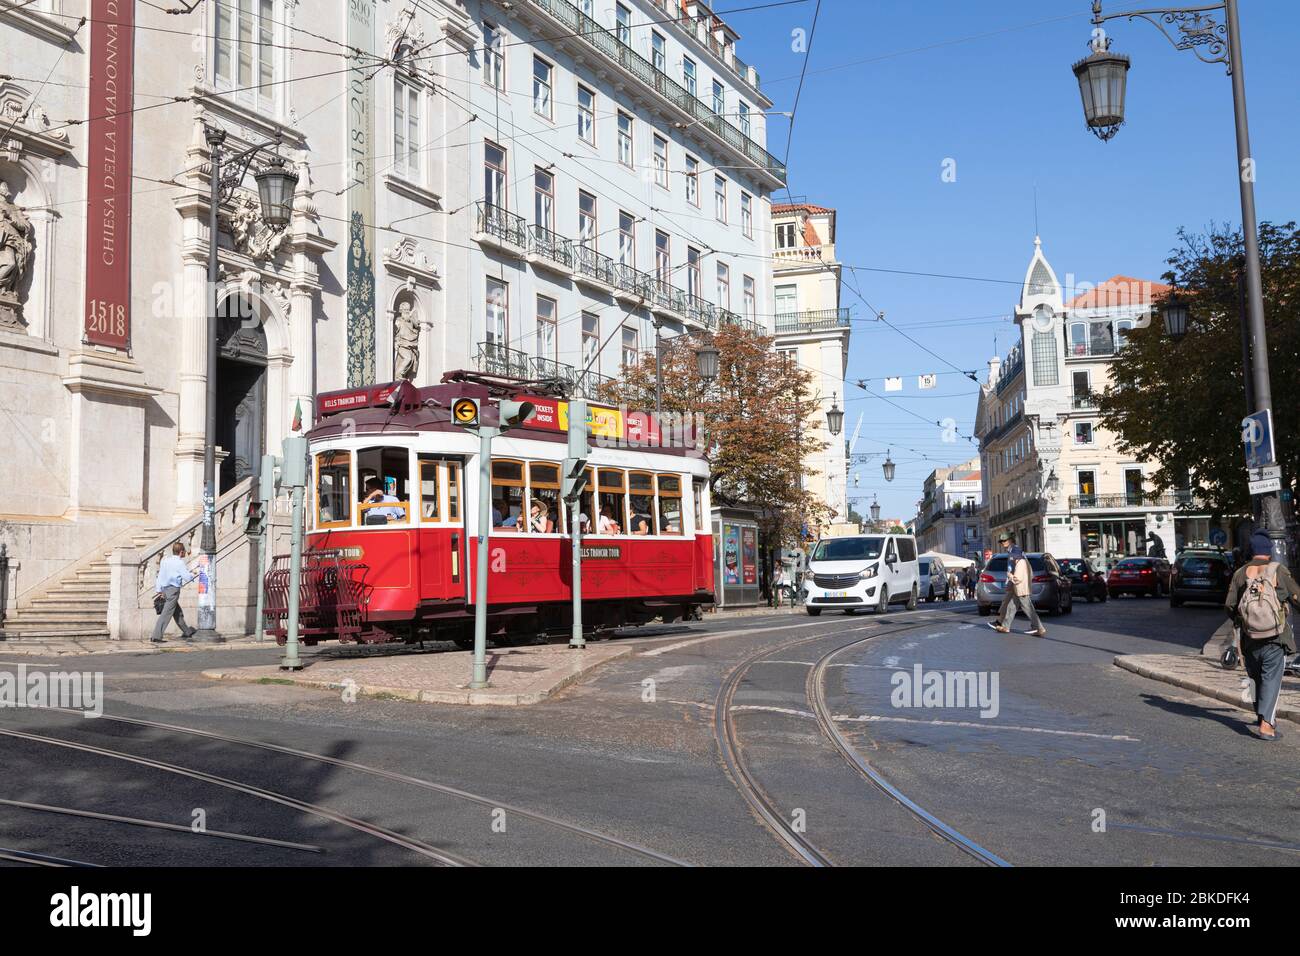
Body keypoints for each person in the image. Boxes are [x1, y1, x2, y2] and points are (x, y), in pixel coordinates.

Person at [1225, 530, 1300, 741]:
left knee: (1256, 679)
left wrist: (1243, 621)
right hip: (1276, 637)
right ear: (1269, 551)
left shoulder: (1240, 574)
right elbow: (1297, 597)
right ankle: (1267, 725)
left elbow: (1229, 606)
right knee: (1271, 680)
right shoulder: (1279, 570)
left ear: (1252, 551)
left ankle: (1261, 717)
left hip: (1249, 638)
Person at [990, 544, 1046, 637]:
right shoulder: (1023, 562)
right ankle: (1005, 626)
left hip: (1021, 590)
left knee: (1028, 609)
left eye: (1012, 555)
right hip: (1019, 589)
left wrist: (1010, 576)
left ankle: (1039, 628)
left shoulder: (1020, 563)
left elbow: (1018, 578)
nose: (1011, 557)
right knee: (1011, 607)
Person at [151, 542, 196, 644]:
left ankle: (187, 632)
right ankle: (156, 636)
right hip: (173, 591)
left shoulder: (165, 561)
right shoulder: (179, 563)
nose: (185, 553)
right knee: (166, 614)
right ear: (181, 552)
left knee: (177, 613)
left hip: (165, 590)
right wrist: (193, 575)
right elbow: (186, 576)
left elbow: (160, 576)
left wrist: (159, 589)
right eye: (184, 551)